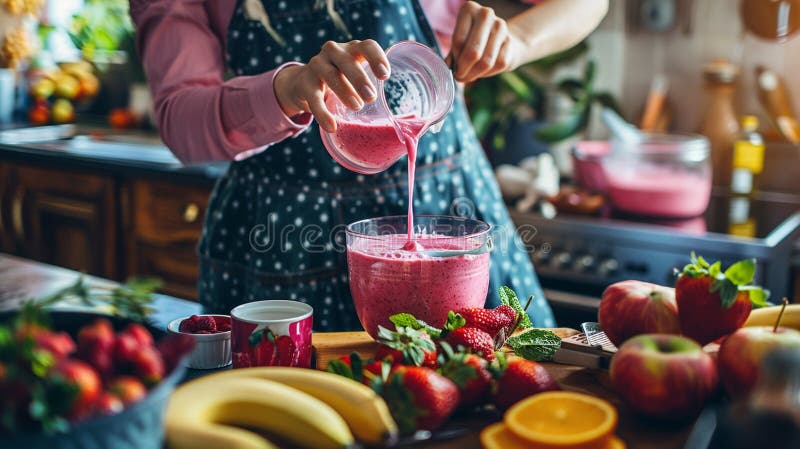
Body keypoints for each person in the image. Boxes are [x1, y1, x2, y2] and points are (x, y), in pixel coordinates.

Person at [131, 0, 608, 331]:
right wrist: (288, 90)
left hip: (447, 207)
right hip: (284, 235)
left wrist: (517, 40)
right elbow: (179, 119)